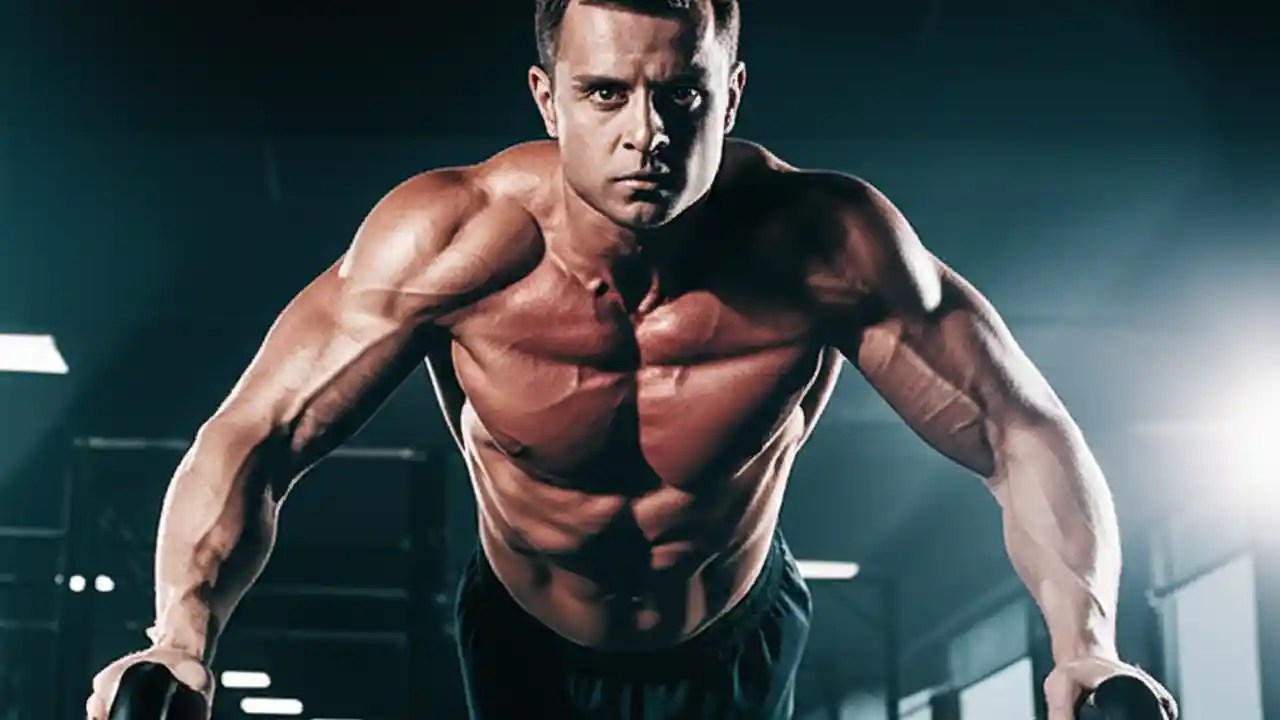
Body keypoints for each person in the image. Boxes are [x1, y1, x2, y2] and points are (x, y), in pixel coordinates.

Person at [85, 1, 1179, 719]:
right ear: (545, 96)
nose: (645, 132)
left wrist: (1083, 644)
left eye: (680, 95)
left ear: (730, 94)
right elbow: (257, 434)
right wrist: (180, 638)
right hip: (523, 641)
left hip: (732, 637)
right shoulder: (451, 240)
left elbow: (1016, 427)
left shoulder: (827, 243)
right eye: (606, 94)